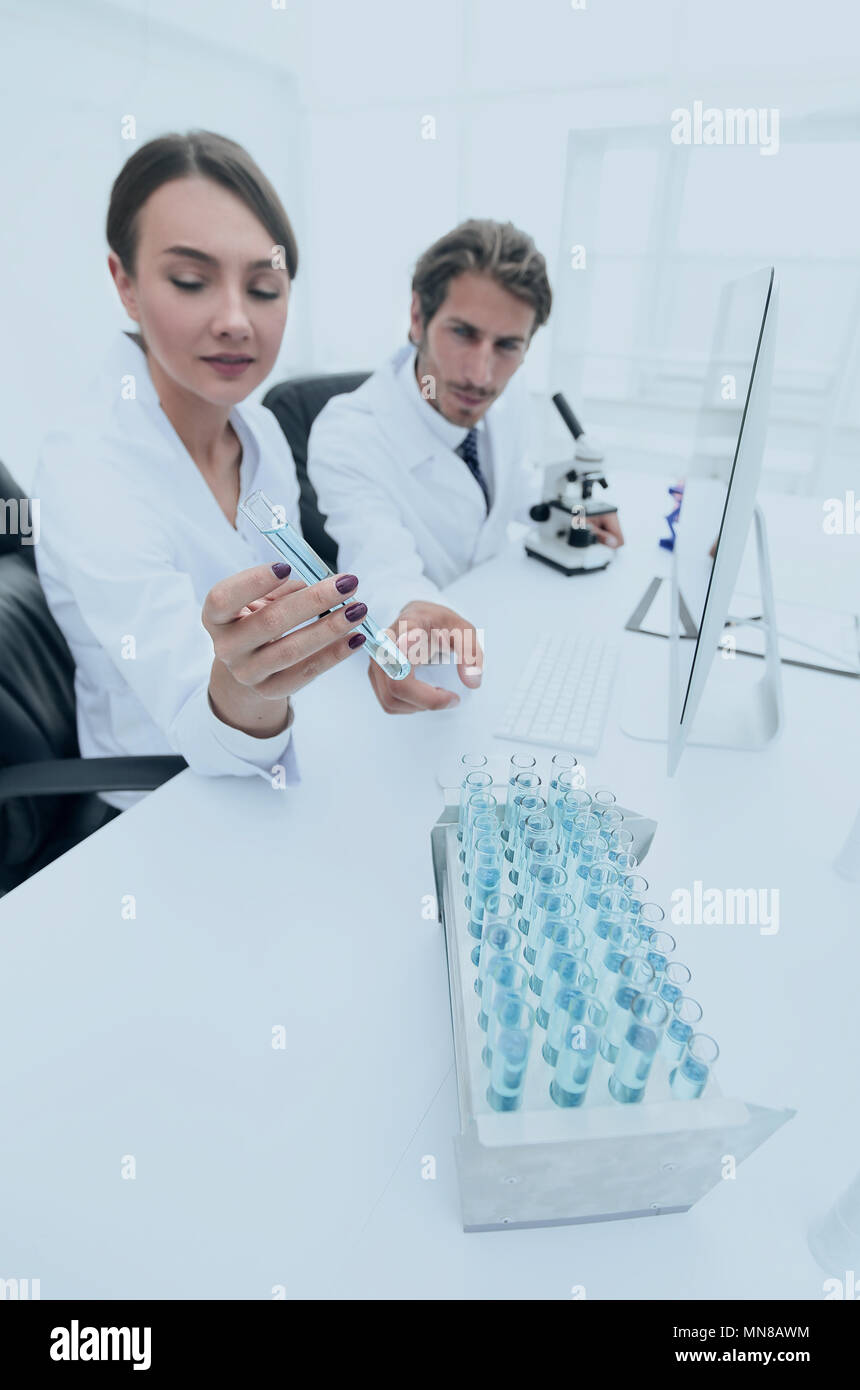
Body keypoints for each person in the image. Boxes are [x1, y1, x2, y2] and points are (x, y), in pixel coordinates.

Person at [34, 130, 376, 812]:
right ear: (125, 284)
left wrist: (366, 638)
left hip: (279, 754)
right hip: (159, 800)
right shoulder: (86, 470)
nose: (235, 320)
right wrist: (247, 681)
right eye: (190, 281)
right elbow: (201, 713)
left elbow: (295, 612)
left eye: (264, 287)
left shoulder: (263, 432)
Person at [307, 218, 624, 716]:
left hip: (502, 627)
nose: (482, 374)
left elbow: (508, 489)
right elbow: (380, 562)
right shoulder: (349, 433)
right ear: (417, 317)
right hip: (416, 682)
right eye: (463, 333)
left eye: (507, 346)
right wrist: (408, 613)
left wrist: (574, 513)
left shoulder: (509, 394)